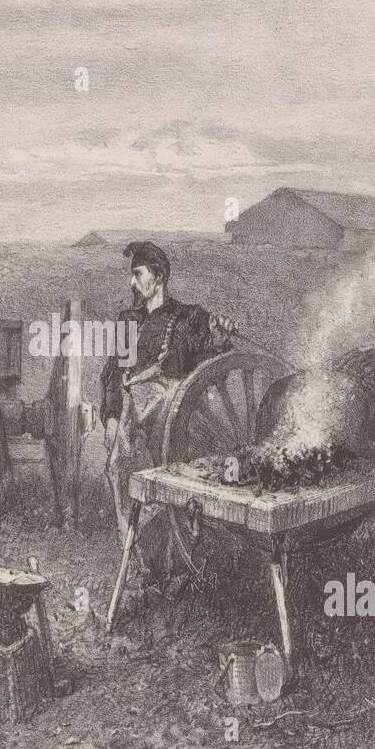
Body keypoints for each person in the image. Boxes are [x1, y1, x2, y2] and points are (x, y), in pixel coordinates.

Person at [101, 241, 236, 582]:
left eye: (138, 275)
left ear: (158, 277)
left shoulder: (190, 318)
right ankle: (139, 567)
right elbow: (115, 376)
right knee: (122, 472)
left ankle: (175, 566)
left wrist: (220, 337)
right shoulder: (128, 321)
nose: (132, 283)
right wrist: (112, 418)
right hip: (134, 422)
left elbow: (208, 370)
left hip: (177, 427)